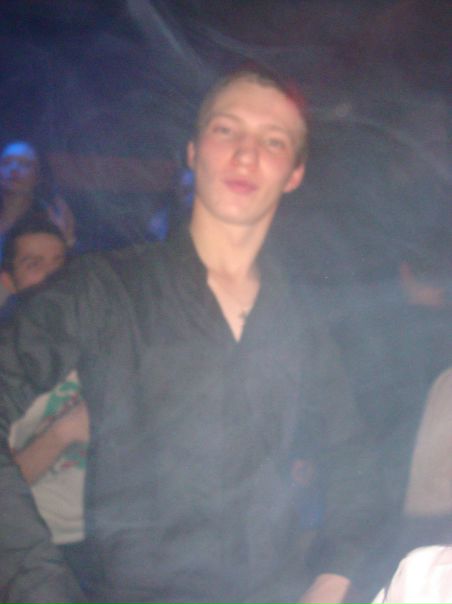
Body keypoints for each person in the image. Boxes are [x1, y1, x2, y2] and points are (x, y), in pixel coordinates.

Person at [0, 66, 380, 604]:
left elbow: (356, 458)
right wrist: (39, 584)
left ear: (294, 173)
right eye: (227, 130)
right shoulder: (106, 287)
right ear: (194, 151)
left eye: (273, 141)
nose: (246, 154)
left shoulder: (300, 317)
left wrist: (336, 575)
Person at [0, 216, 91, 591]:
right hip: (38, 551)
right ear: (9, 281)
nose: (52, 275)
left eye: (59, 262)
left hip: (110, 539)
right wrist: (64, 433)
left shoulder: (96, 337)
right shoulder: (7, 363)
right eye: (33, 264)